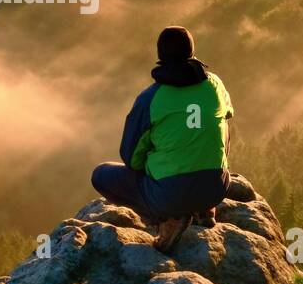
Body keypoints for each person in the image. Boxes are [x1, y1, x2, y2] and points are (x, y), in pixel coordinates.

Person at [91, 26, 234, 253]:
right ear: (192, 52)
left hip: (169, 196)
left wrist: (154, 164)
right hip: (216, 187)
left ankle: (167, 220)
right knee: (222, 123)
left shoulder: (150, 99)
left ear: (160, 55)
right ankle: (204, 209)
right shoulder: (215, 85)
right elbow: (226, 116)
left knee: (100, 175)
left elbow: (131, 157)